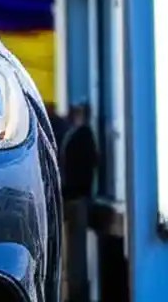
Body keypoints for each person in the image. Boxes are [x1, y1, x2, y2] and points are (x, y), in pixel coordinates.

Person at [60, 102, 98, 302]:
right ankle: (77, 293)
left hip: (72, 199)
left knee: (73, 256)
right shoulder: (83, 136)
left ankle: (74, 294)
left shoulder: (74, 136)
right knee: (77, 255)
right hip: (79, 198)